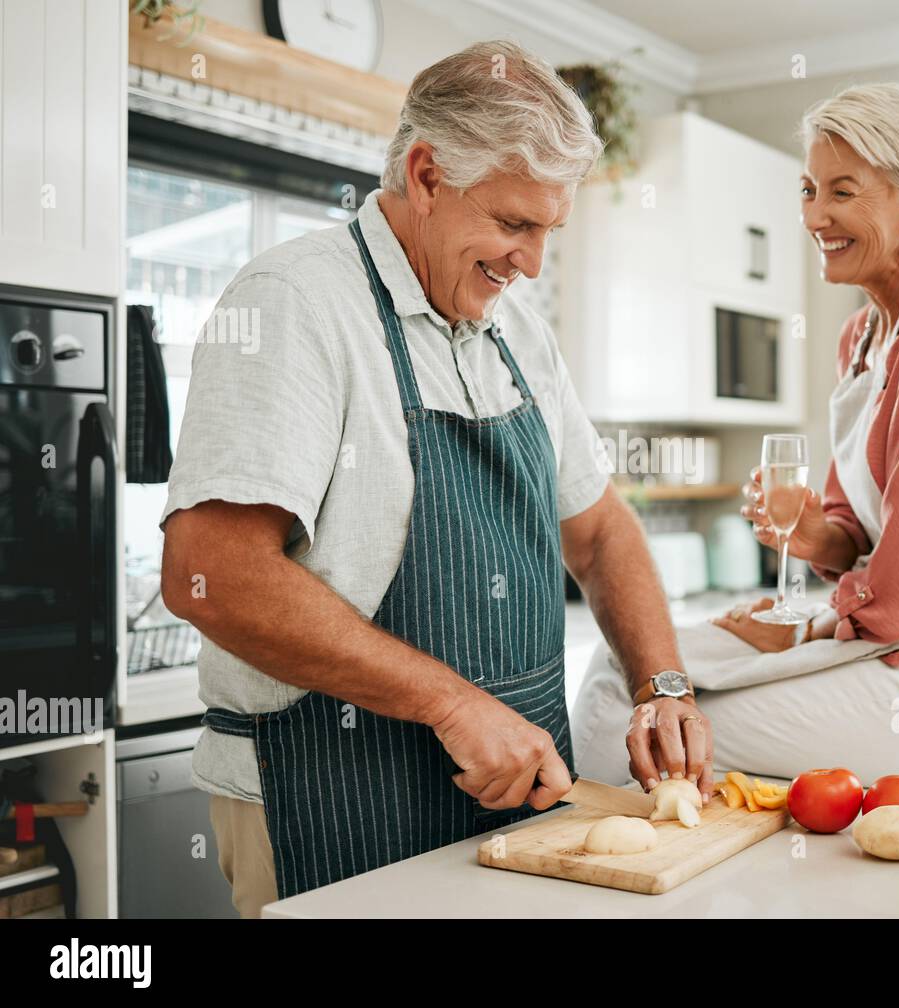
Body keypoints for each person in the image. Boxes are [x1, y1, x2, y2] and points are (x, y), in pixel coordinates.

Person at [161, 41, 712, 918]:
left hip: (518, 804)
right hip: (330, 796)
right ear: (425, 173)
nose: (530, 262)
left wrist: (663, 683)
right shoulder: (294, 303)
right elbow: (213, 575)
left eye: (547, 232)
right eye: (512, 224)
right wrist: (451, 704)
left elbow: (601, 531)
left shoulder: (518, 333)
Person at [574, 83, 899, 789]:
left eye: (843, 193)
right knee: (633, 672)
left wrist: (799, 627)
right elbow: (855, 534)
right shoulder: (865, 335)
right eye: (808, 189)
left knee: (642, 724)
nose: (815, 216)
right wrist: (808, 530)